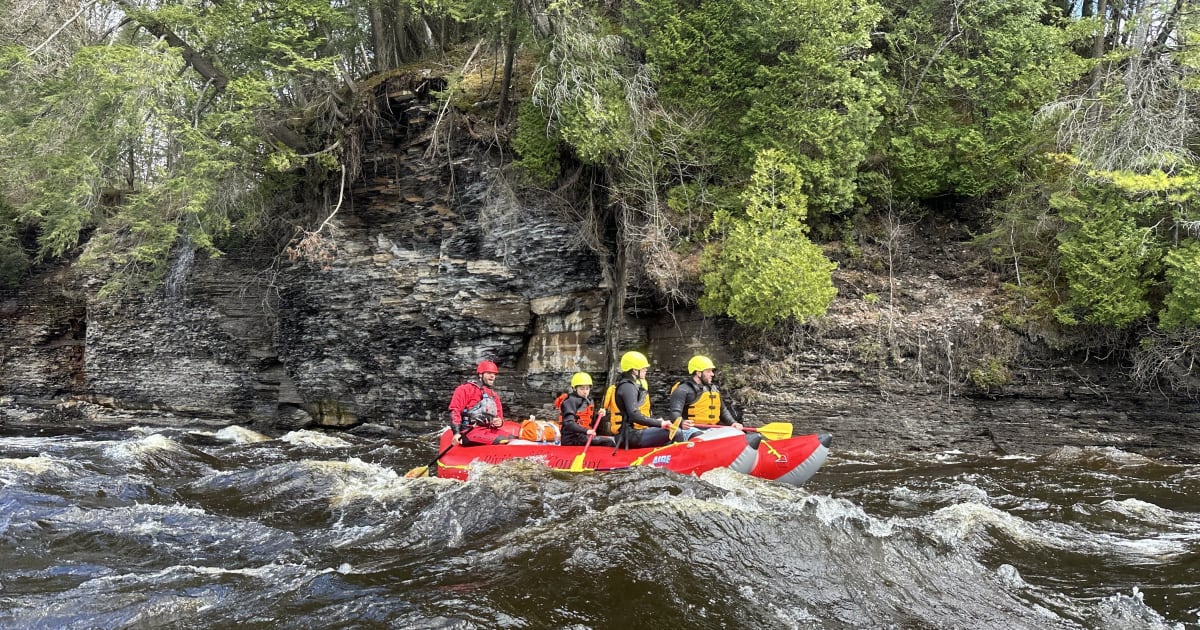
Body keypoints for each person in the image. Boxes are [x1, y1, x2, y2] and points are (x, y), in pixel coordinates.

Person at [666, 355, 743, 440]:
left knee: (736, 435)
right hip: (691, 430)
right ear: (699, 373)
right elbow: (674, 413)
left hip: (713, 429)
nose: (712, 374)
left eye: (712, 371)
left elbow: (723, 410)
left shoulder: (714, 389)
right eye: (708, 371)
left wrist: (733, 423)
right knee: (701, 436)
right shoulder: (683, 390)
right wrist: (681, 422)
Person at [611, 351, 675, 450]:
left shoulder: (629, 385)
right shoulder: (627, 386)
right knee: (675, 432)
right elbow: (634, 415)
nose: (646, 370)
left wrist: (656, 421)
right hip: (629, 435)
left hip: (631, 433)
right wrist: (659, 424)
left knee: (672, 431)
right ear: (634, 370)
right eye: (643, 368)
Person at [447, 360, 517, 446]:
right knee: (503, 441)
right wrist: (456, 433)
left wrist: (499, 422)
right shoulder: (465, 389)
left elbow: (499, 417)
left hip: (486, 430)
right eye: (489, 373)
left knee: (514, 439)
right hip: (468, 432)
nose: (492, 376)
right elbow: (454, 410)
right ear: (480, 374)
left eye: (494, 374)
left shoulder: (494, 395)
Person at [557, 372, 614, 447]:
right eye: (582, 388)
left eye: (587, 388)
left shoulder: (588, 400)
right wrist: (586, 431)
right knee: (608, 442)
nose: (585, 391)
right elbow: (568, 423)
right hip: (572, 439)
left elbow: (590, 421)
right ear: (574, 388)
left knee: (609, 441)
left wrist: (599, 415)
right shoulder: (570, 401)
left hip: (583, 436)